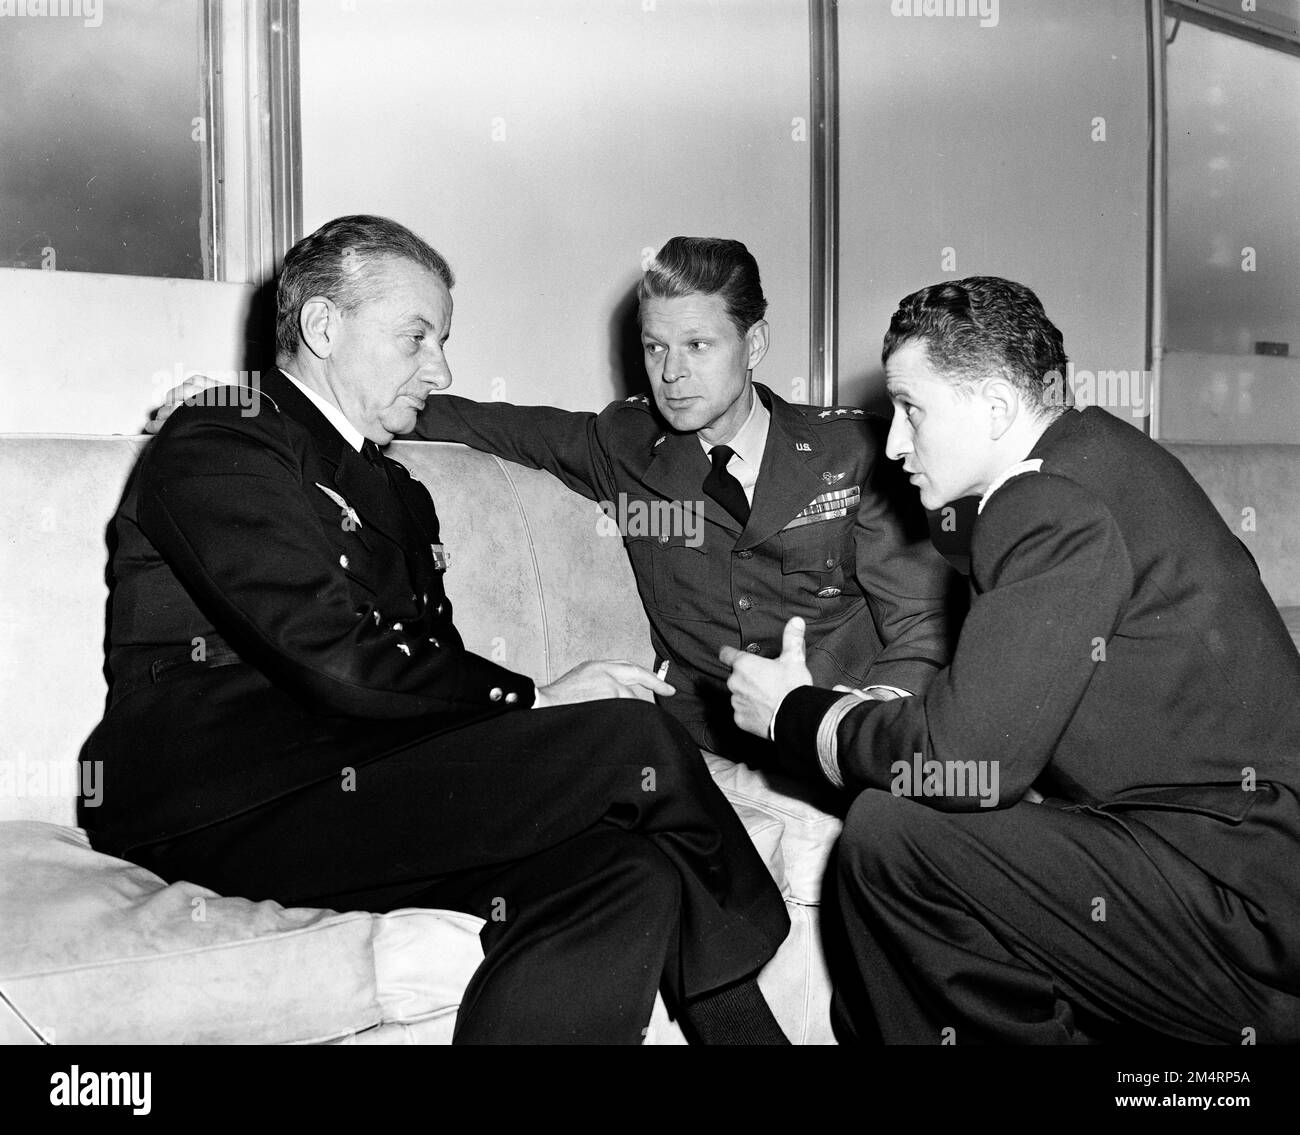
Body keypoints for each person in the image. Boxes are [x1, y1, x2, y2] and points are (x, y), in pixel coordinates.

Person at [82, 214, 792, 1045]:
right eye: (416, 337)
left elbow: (427, 677)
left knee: (625, 873)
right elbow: (334, 655)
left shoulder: (397, 491)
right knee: (635, 740)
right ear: (322, 326)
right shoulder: (222, 434)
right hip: (219, 802)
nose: (441, 366)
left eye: (442, 340)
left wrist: (532, 712)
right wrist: (534, 700)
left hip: (355, 790)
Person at [722, 276, 1300, 1044]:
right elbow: (993, 729)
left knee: (892, 835)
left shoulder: (1042, 504)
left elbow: (970, 761)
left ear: (996, 407)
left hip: (1244, 922)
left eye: (911, 409)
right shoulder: (1094, 458)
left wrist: (800, 715)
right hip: (1239, 884)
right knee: (884, 948)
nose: (893, 445)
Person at [413, 236, 958, 768]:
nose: (672, 374)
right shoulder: (625, 443)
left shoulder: (856, 451)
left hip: (843, 726)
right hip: (710, 742)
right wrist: (375, 399)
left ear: (754, 344)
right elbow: (491, 423)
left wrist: (858, 727)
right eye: (656, 347)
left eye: (698, 345)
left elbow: (920, 623)